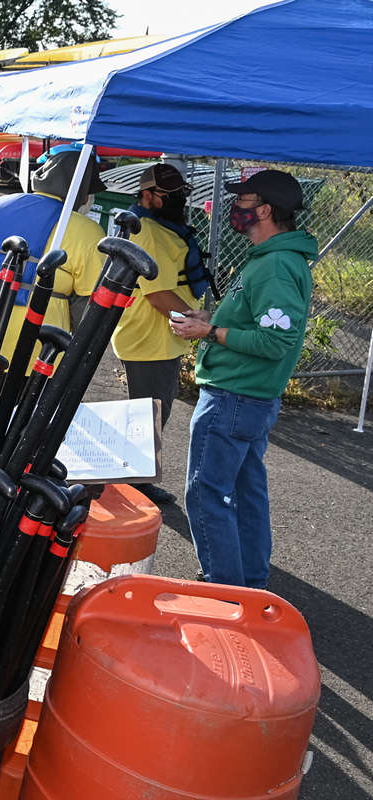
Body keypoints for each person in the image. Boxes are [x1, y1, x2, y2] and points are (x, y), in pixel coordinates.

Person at [171, 170, 319, 589]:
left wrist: (211, 333)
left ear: (266, 211)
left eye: (244, 201)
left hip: (235, 396)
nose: (235, 208)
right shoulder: (276, 259)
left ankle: (223, 585)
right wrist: (213, 319)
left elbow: (276, 340)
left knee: (205, 494)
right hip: (251, 397)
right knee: (246, 490)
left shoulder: (274, 265)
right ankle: (249, 582)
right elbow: (260, 321)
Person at [0, 149, 106, 364]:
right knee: (30, 397)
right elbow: (89, 305)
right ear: (80, 191)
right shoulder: (87, 230)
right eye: (89, 192)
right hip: (42, 344)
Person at [112, 163, 208, 504]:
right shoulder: (151, 231)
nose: (178, 200)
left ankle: (131, 479)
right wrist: (199, 325)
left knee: (149, 410)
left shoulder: (160, 225)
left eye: (181, 193)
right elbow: (158, 294)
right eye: (169, 195)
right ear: (147, 195)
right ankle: (133, 486)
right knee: (151, 413)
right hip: (151, 337)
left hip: (157, 336)